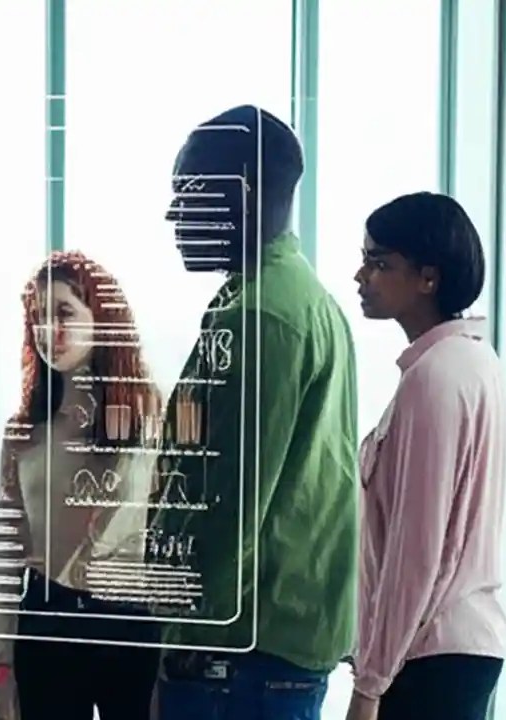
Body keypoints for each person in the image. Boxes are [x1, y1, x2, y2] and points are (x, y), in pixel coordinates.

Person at [151, 105, 360, 720]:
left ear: (239, 193)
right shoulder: (301, 299)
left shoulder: (260, 316)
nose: (173, 215)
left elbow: (230, 502)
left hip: (240, 658)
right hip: (271, 649)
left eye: (188, 193)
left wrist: (183, 638)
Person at [0, 250, 165, 720]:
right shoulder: (23, 431)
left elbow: (171, 541)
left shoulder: (151, 418)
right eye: (38, 317)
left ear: (101, 316)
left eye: (64, 312)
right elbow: (5, 558)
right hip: (47, 622)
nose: (49, 330)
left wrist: (171, 663)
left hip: (130, 623)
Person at [347, 192, 505, 720]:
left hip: (430, 657)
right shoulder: (474, 361)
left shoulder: (434, 377)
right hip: (456, 650)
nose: (361, 276)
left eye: (379, 263)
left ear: (428, 278)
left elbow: (416, 551)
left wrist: (369, 686)